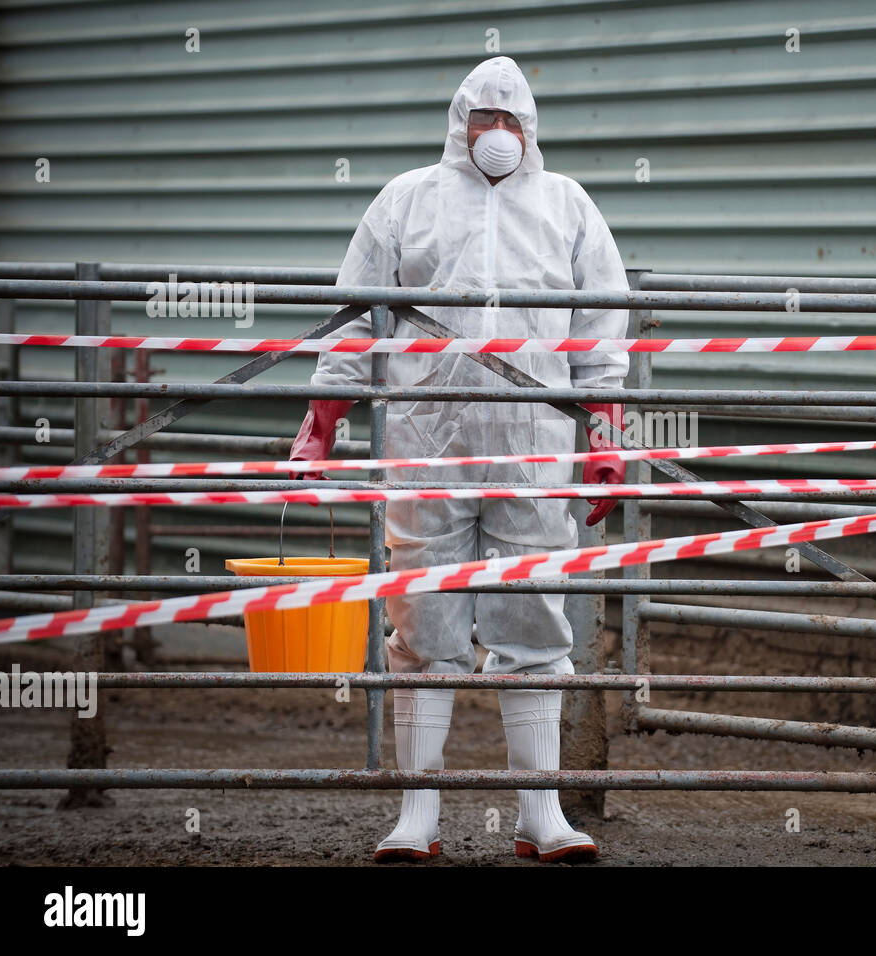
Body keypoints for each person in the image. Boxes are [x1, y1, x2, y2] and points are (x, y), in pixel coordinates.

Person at [288, 56, 628, 863]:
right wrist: (322, 417)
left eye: (514, 121)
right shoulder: (407, 201)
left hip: (533, 450)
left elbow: (602, 330)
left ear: (532, 129)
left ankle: (540, 814)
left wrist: (605, 436)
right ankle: (418, 815)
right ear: (459, 123)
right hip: (427, 445)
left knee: (536, 619)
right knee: (422, 621)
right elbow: (353, 318)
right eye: (487, 118)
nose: (500, 136)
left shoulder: (568, 206)